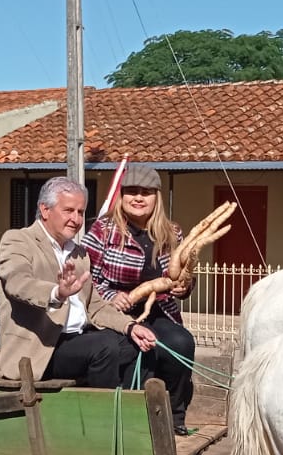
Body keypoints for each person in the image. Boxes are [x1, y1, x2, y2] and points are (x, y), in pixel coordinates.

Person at [0, 176, 157, 389]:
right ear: (45, 210)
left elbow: (96, 306)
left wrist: (130, 326)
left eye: (80, 212)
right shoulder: (18, 240)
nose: (76, 219)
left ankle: (129, 411)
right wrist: (57, 293)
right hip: (41, 349)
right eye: (68, 210)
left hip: (79, 339)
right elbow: (17, 283)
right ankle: (102, 417)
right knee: (104, 346)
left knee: (140, 344)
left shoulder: (79, 254)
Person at [82, 164, 197, 435]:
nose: (138, 198)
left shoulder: (172, 233)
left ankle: (175, 415)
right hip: (114, 313)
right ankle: (132, 420)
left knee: (181, 343)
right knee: (136, 350)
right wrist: (113, 297)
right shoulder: (103, 231)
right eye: (132, 192)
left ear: (156, 197)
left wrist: (185, 286)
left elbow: (183, 274)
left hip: (159, 310)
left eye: (145, 192)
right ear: (121, 196)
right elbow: (86, 278)